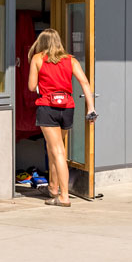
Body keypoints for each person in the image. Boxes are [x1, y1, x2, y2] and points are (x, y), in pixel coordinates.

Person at [25, 28, 95, 207]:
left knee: (57, 152)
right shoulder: (70, 60)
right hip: (67, 108)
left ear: (42, 42)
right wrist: (91, 108)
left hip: (48, 107)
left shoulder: (38, 58)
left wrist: (44, 84)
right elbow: (84, 82)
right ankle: (53, 188)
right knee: (53, 148)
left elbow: (31, 87)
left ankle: (64, 196)